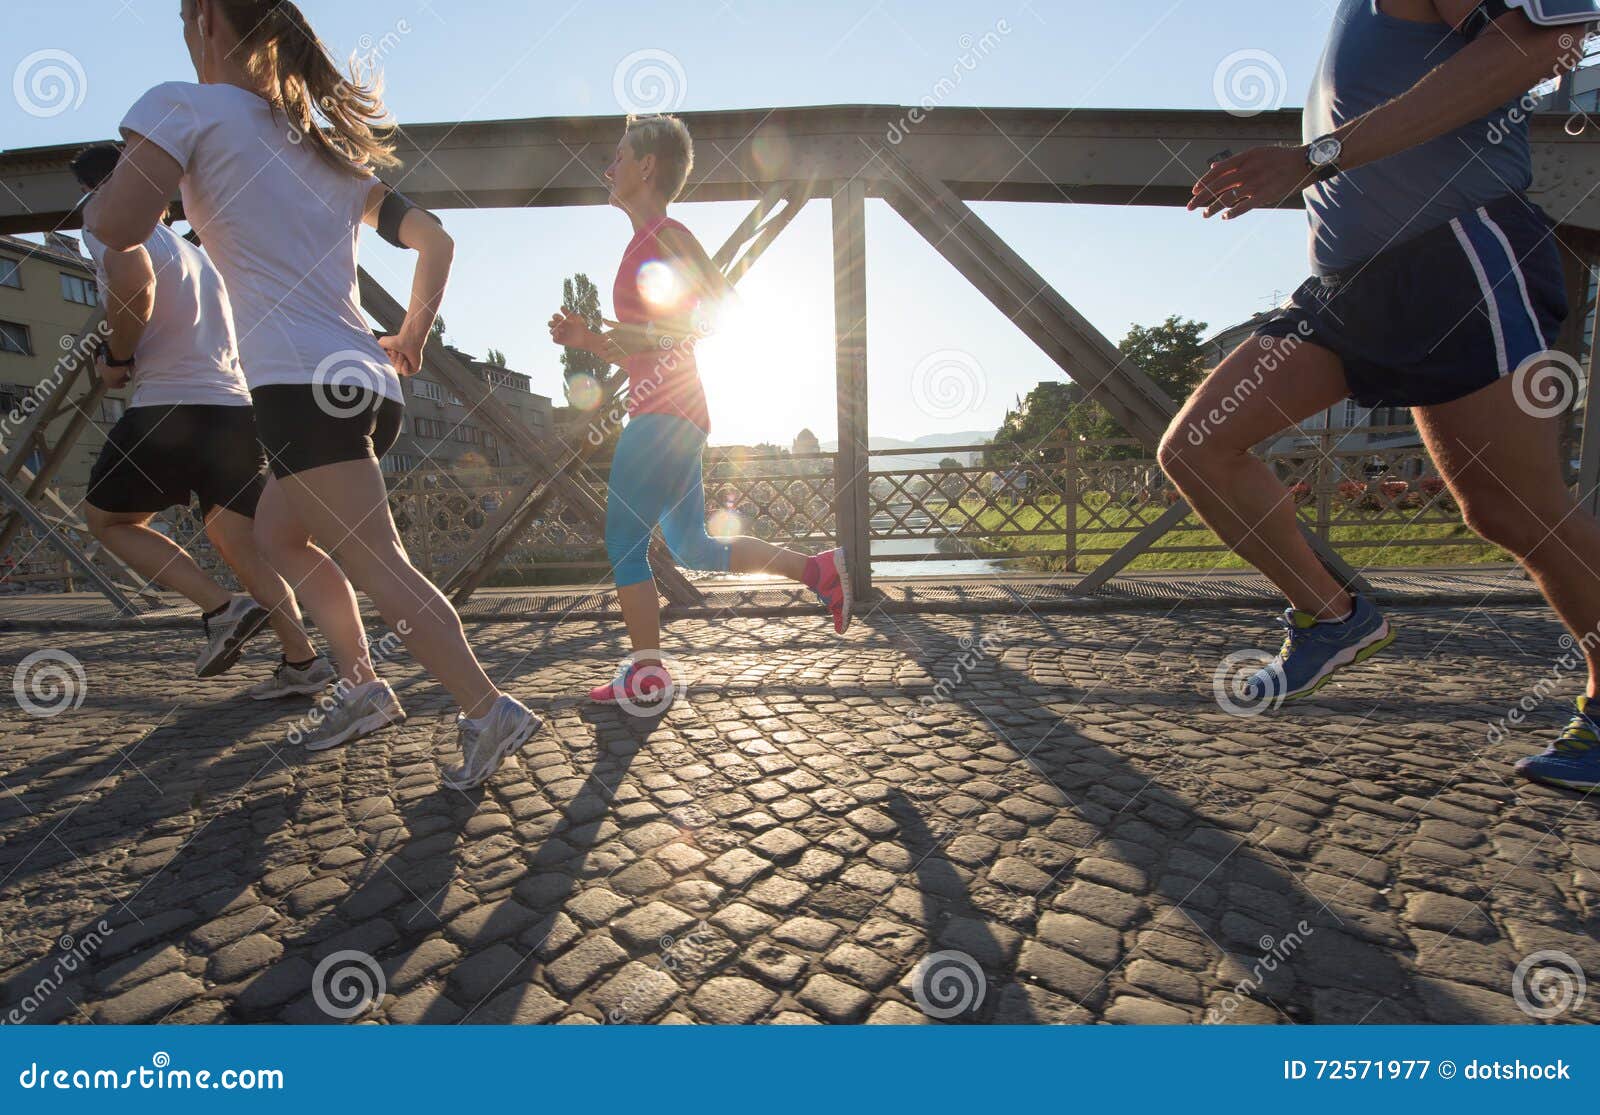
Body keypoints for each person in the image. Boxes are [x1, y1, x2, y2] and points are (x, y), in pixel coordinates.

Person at [85, 0, 538, 788]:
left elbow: (119, 227)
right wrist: (415, 336)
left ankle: (486, 707)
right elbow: (437, 236)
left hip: (298, 383)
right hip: (363, 377)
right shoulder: (324, 150)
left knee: (375, 559)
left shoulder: (181, 106)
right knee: (279, 535)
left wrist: (103, 192)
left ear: (208, 23)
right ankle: (361, 682)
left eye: (186, 19)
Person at [1168, 0, 1600, 790]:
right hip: (1348, 289)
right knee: (1199, 446)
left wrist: (1315, 155)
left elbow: (1543, 45)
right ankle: (1333, 616)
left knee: (1515, 508)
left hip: (1456, 257)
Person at [547, 114, 851, 709]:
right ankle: (815, 570)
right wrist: (589, 340)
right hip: (672, 408)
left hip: (664, 412)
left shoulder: (668, 232)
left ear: (646, 167)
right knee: (692, 547)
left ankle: (647, 675)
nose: (607, 167)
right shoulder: (639, 241)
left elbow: (718, 311)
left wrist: (650, 338)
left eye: (618, 156)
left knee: (623, 540)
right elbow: (646, 341)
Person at [73, 143, 332, 696]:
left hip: (169, 407)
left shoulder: (108, 223)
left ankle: (220, 609)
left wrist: (117, 359)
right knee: (242, 543)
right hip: (234, 410)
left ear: (101, 190)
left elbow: (133, 278)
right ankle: (304, 664)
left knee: (110, 522)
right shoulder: (199, 256)